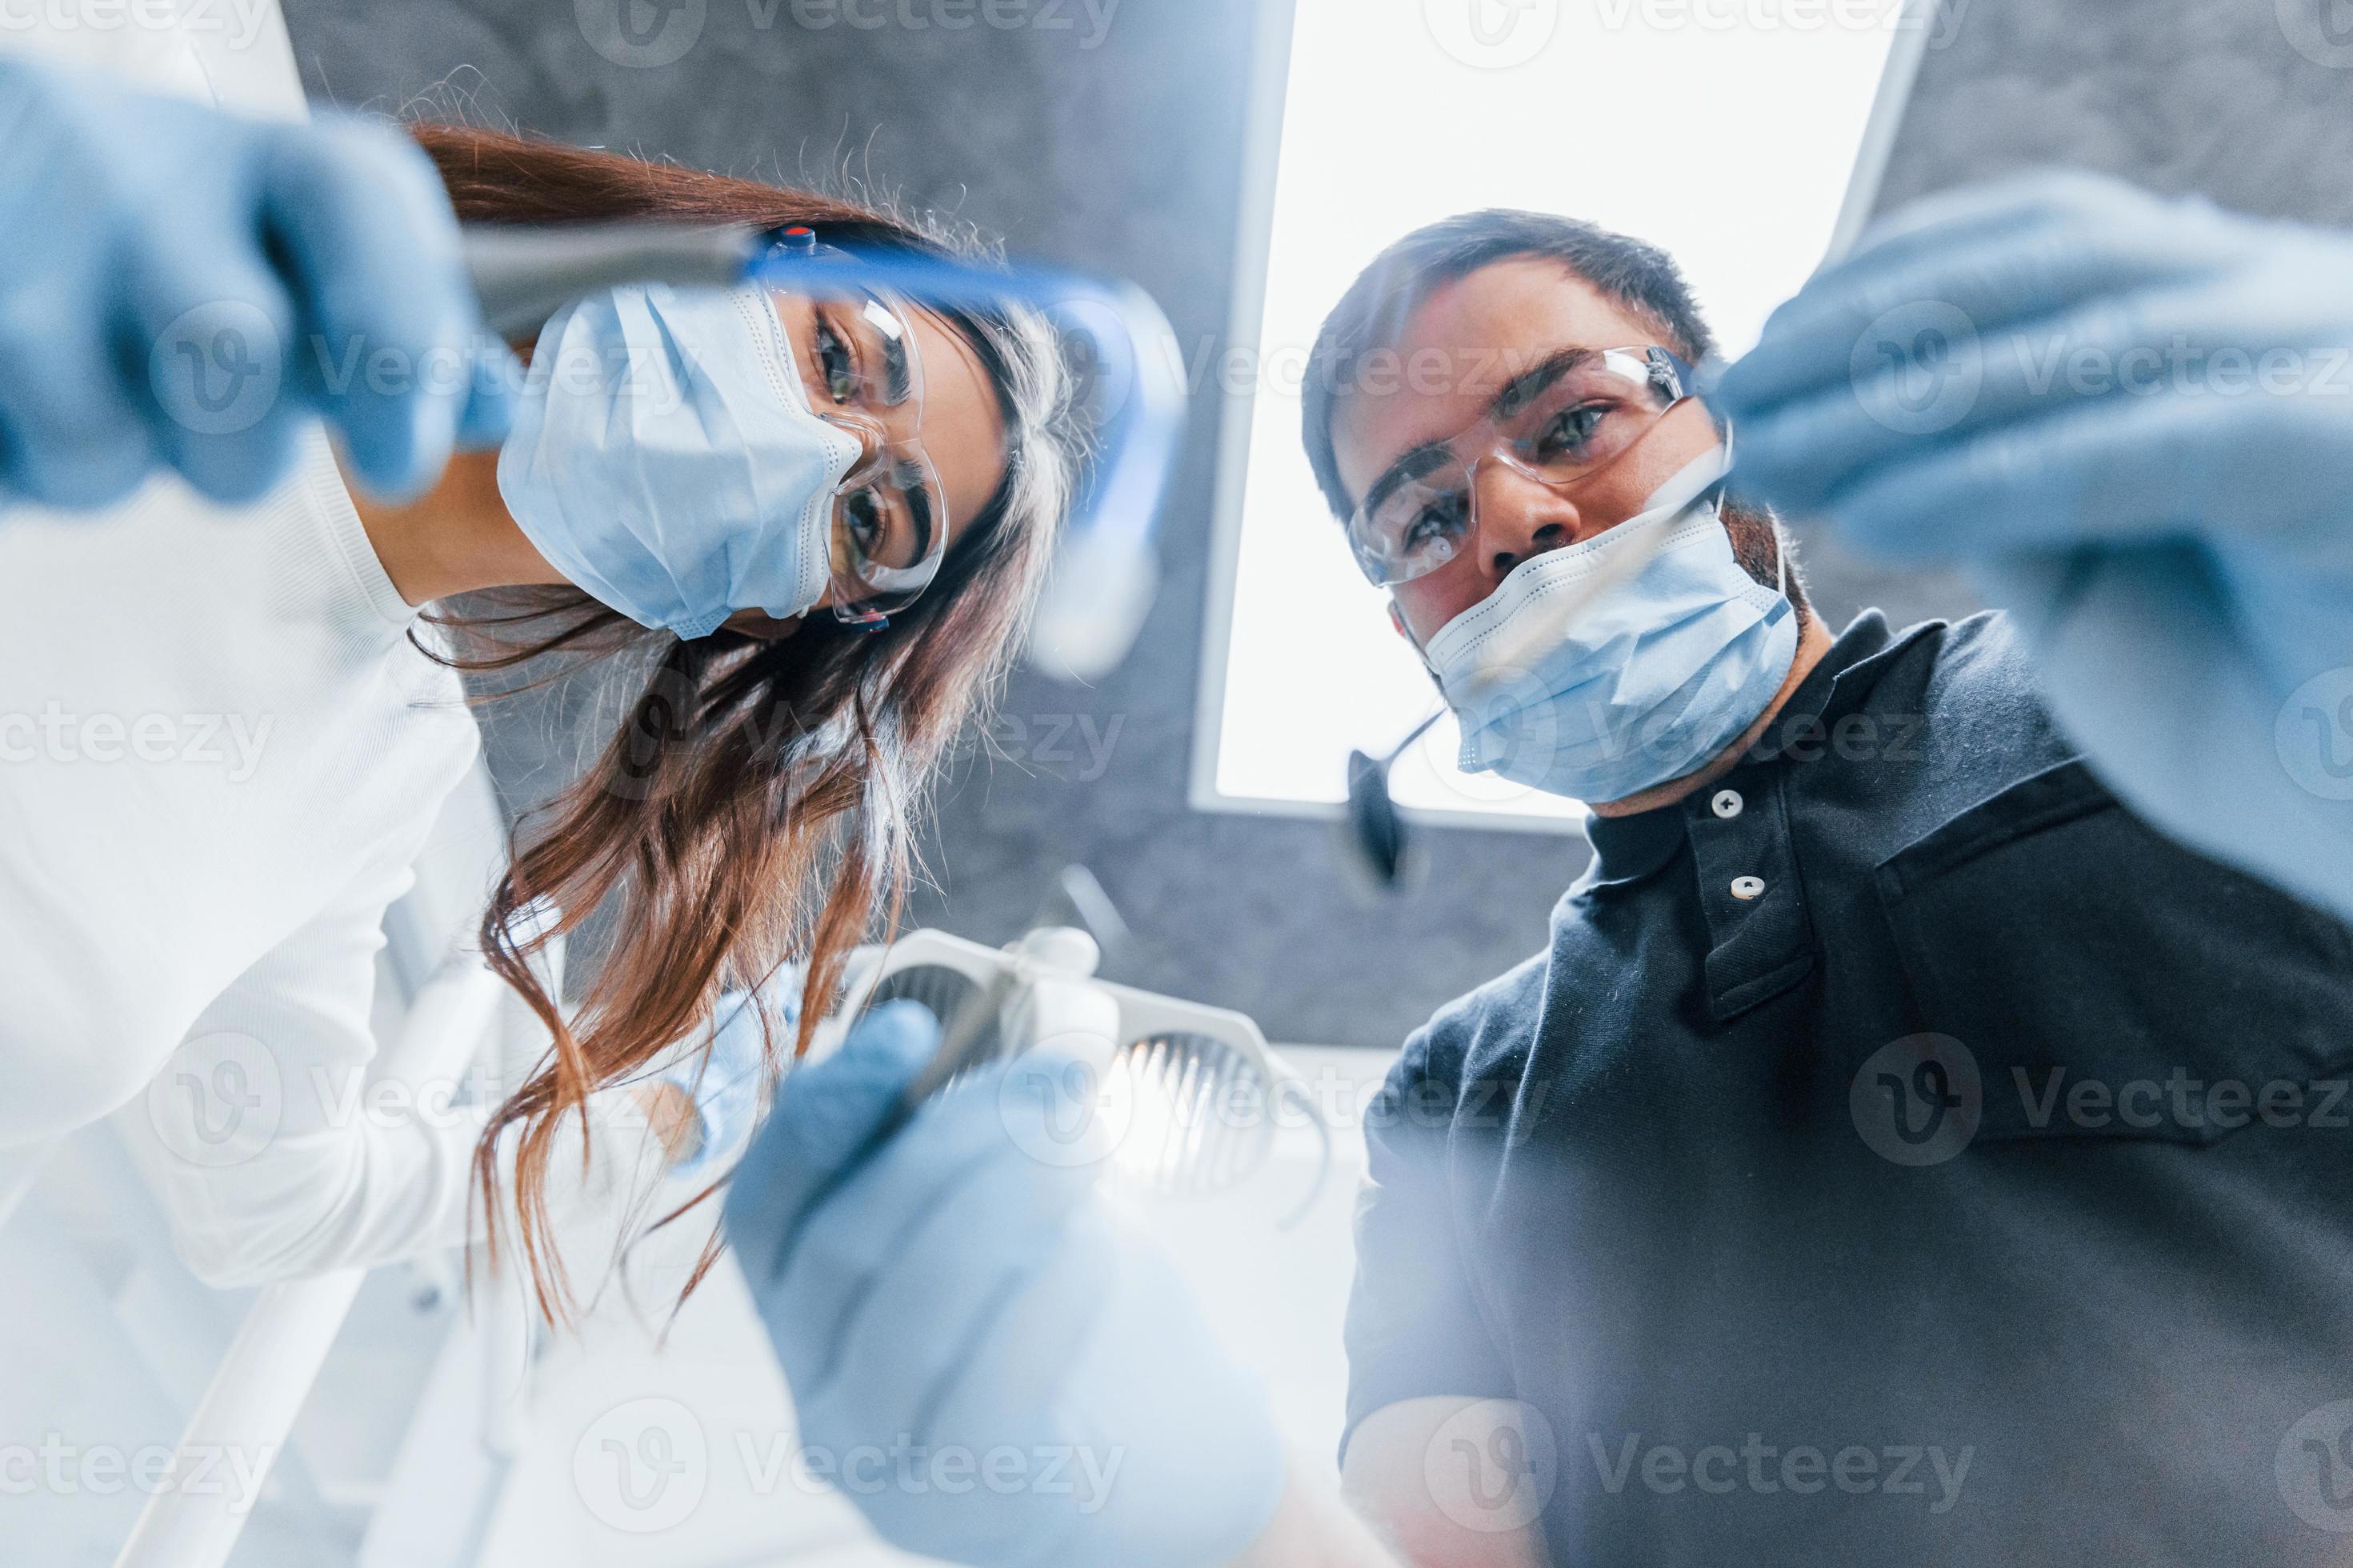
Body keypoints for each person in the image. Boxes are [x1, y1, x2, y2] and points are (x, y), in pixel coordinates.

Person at [721, 182, 2353, 1568]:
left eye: (1571, 422)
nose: (1504, 517)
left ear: (1734, 444)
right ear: (1411, 636)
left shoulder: (2143, 695)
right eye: (1419, 514)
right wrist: (1189, 1516)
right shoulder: (1457, 1091)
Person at [0, 53, 1081, 1315]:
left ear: (761, 616)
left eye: (865, 523)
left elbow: (269, 1200)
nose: (801, 442)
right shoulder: (153, 236)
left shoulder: (386, 766)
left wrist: (682, 1111)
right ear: (758, 255)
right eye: (842, 359)